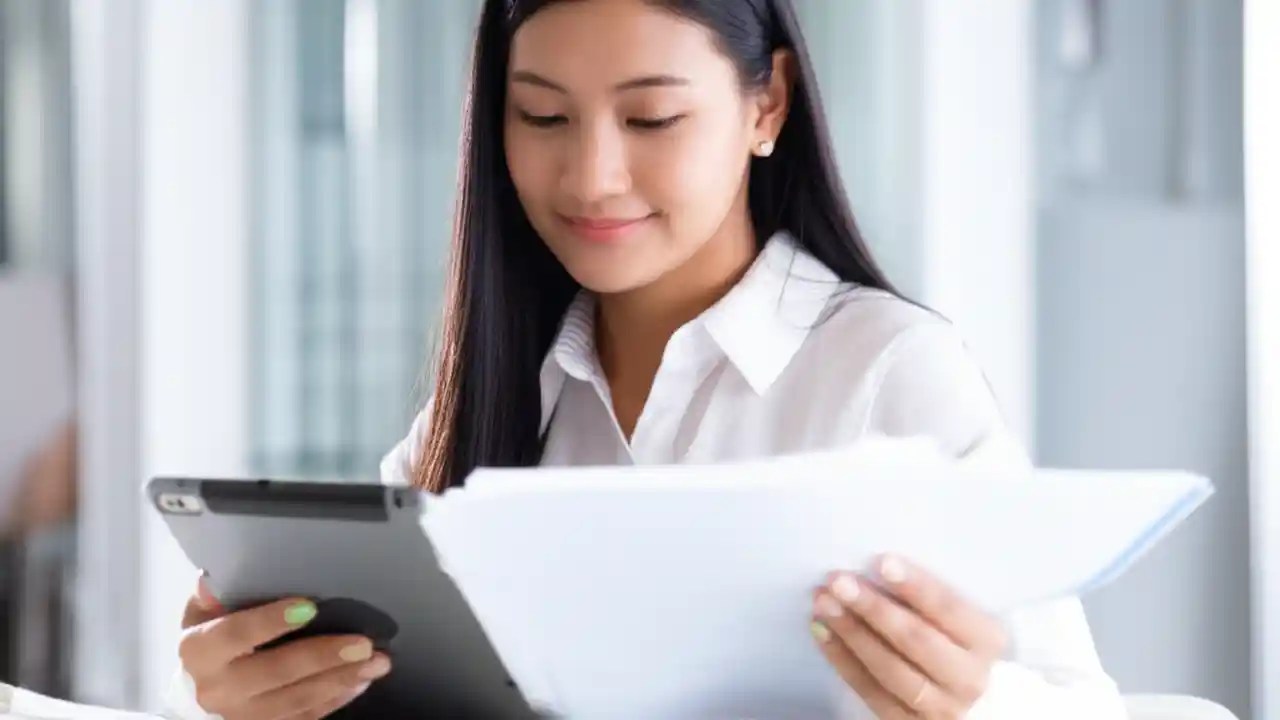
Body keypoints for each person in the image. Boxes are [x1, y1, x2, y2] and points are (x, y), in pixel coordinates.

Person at [169, 0, 1129, 718]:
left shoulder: (887, 371)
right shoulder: (483, 406)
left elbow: (1074, 698)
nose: (591, 177)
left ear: (768, 106)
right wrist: (281, 695)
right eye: (542, 118)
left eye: (651, 119)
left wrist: (972, 701)